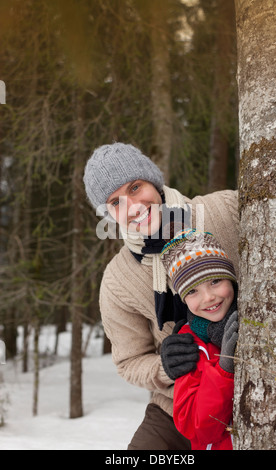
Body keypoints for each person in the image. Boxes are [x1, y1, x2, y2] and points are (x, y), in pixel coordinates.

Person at [83, 142, 239, 450]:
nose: (133, 206)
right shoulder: (118, 281)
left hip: (252, 379)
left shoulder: (225, 210)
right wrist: (166, 367)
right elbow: (129, 361)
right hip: (181, 401)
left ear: (153, 180)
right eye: (115, 202)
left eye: (136, 187)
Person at [160, 229, 238, 450]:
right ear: (184, 300)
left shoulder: (255, 317)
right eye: (192, 291)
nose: (208, 297)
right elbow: (195, 428)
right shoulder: (189, 346)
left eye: (215, 281)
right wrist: (224, 369)